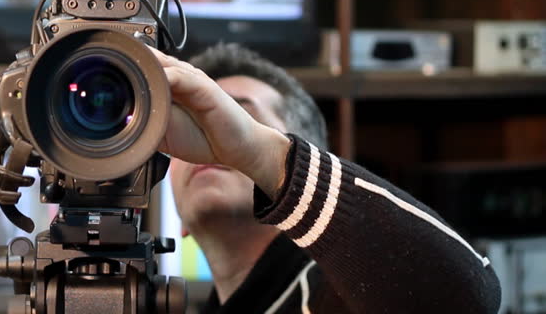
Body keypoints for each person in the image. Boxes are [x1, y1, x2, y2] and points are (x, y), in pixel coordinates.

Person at [151, 43, 501, 313]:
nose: (212, 141)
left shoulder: (339, 298)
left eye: (240, 117)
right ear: (180, 224)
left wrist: (259, 153)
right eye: (195, 128)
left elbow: (460, 299)